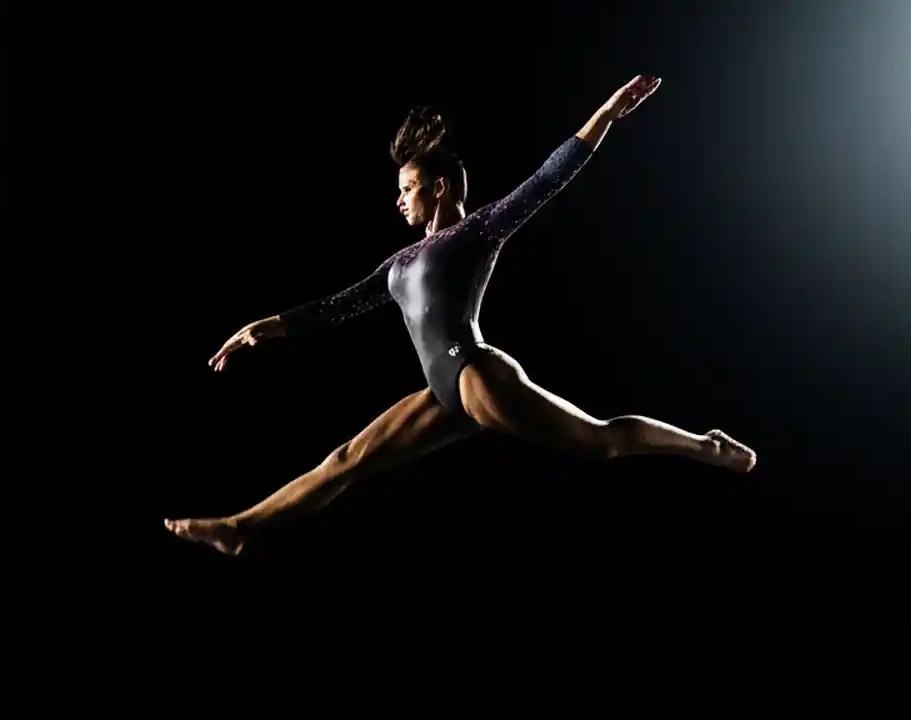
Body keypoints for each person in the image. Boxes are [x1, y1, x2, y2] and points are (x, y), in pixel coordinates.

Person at [165, 74, 755, 557]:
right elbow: (337, 306)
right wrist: (261, 329)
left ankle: (703, 445)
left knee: (597, 442)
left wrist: (604, 113)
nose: (399, 197)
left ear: (440, 187)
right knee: (345, 462)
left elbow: (548, 179)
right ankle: (240, 527)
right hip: (440, 392)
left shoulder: (478, 230)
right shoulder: (398, 260)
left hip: (475, 371)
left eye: (408, 186)